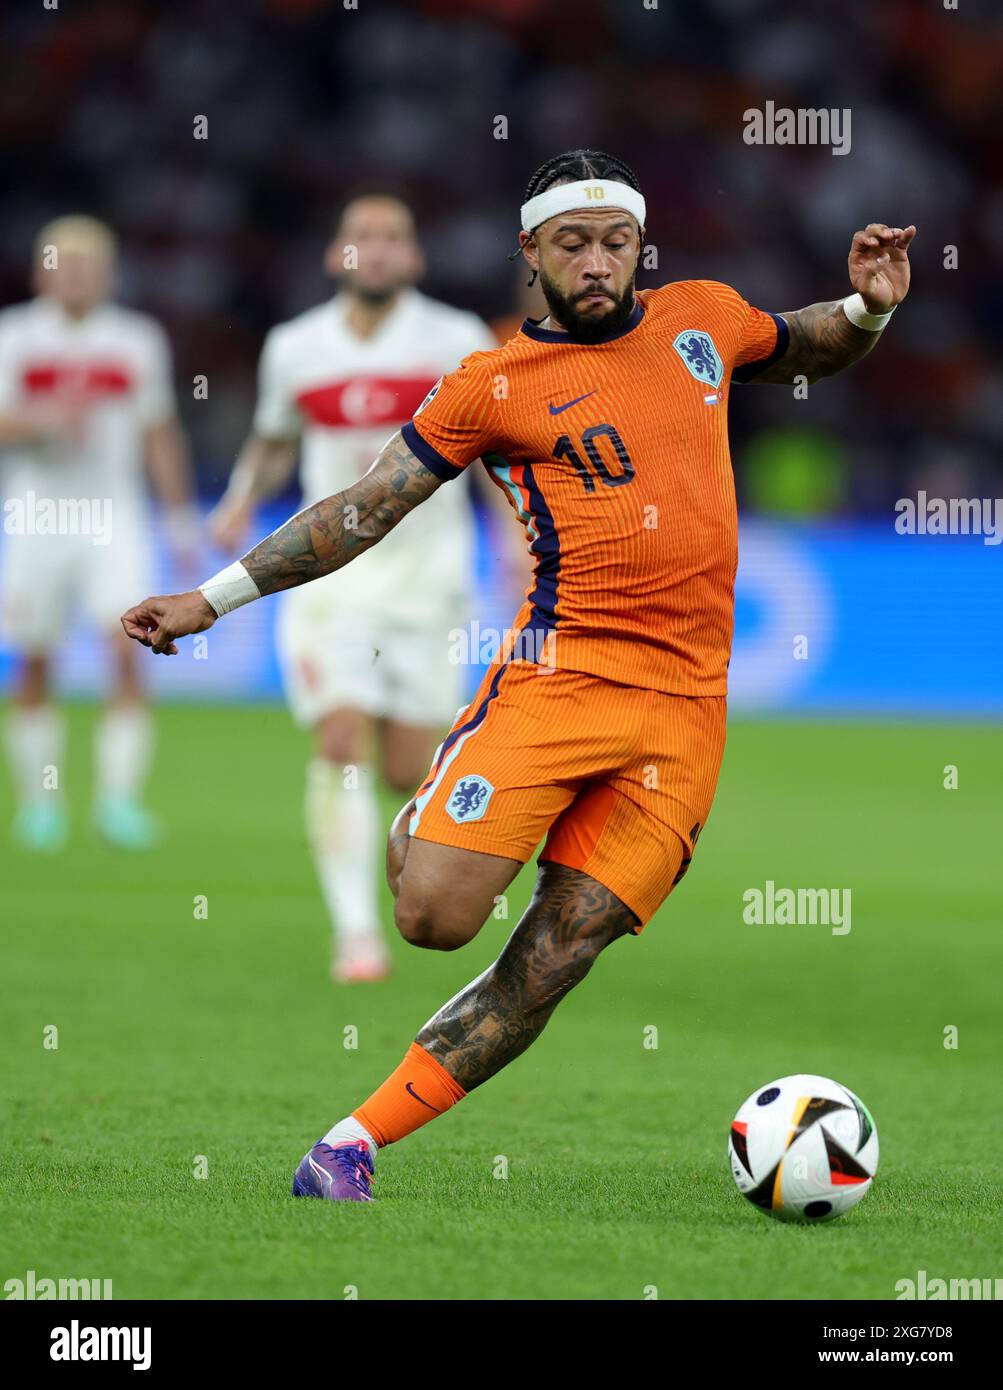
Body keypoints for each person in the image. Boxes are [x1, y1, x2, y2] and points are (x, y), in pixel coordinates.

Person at [121, 149, 914, 1201]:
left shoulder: (702, 319)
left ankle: (348, 1146)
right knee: (435, 919)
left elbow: (803, 342)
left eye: (615, 242)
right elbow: (362, 508)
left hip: (684, 713)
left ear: (642, 250)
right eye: (571, 243)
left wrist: (865, 308)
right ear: (530, 255)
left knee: (556, 954)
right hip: (561, 676)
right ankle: (437, 811)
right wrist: (209, 601)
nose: (596, 261)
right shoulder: (491, 384)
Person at [209, 194, 498, 982]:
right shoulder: (296, 346)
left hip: (430, 583)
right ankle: (355, 935)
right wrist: (239, 499)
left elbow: (500, 450)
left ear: (415, 258)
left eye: (392, 238)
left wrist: (518, 540)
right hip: (329, 579)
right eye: (361, 237)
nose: (375, 250)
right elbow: (274, 440)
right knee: (339, 744)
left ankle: (399, 884)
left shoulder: (456, 339)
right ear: (337, 254)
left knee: (408, 769)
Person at [1, 215, 195, 851]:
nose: (74, 274)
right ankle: (40, 804)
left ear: (107, 273)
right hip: (36, 516)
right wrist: (43, 420)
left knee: (128, 649)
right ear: (41, 270)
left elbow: (159, 430)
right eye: (62, 262)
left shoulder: (135, 340)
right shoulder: (15, 336)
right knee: (34, 658)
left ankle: (119, 802)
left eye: (87, 263)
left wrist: (178, 514)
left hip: (115, 517)